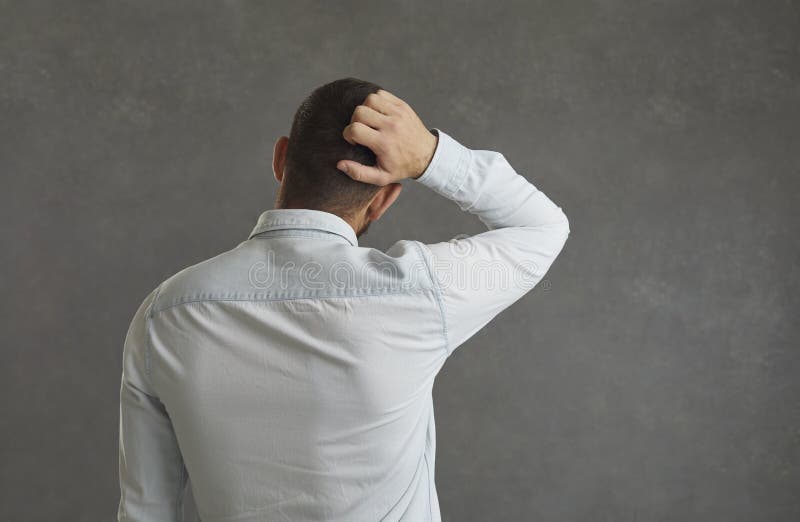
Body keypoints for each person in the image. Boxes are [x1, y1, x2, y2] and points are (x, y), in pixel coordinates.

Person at [117, 77, 570, 522]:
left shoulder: (163, 316)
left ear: (280, 159)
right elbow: (543, 228)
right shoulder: (418, 294)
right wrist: (431, 157)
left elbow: (145, 511)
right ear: (384, 199)